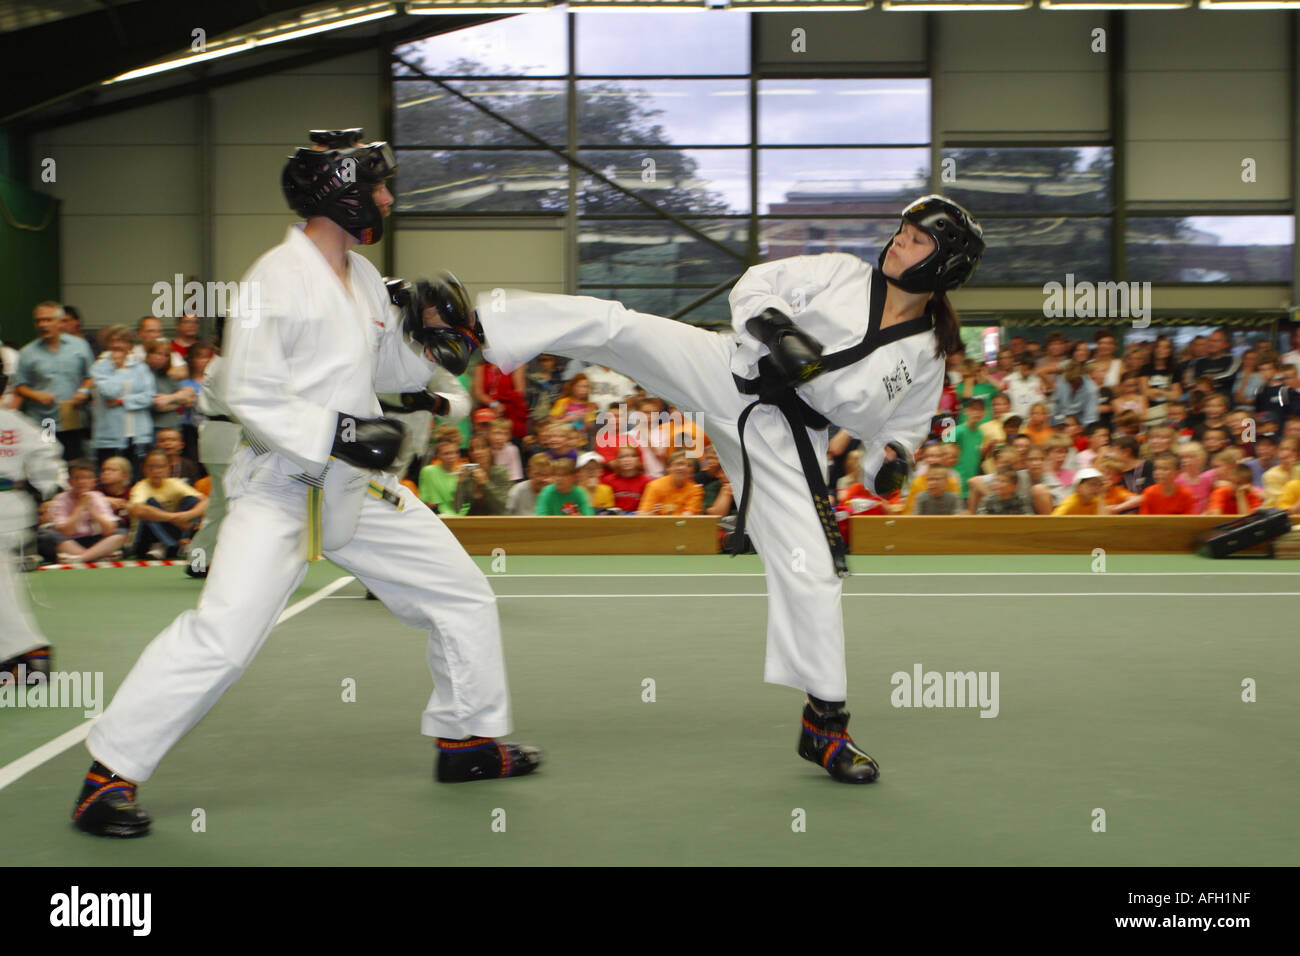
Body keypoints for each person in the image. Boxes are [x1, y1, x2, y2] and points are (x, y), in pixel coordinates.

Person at [71, 129, 539, 840]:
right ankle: (107, 777)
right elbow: (250, 388)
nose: (386, 197)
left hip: (353, 486)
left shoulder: (357, 278)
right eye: (377, 186)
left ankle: (468, 742)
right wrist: (343, 432)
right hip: (284, 486)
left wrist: (433, 353)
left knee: (460, 592)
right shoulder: (272, 279)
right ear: (340, 192)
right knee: (224, 636)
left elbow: (376, 373)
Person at [474, 194, 984, 784]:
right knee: (620, 327)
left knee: (813, 570)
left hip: (789, 441)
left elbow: (905, 427)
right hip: (728, 370)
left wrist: (891, 460)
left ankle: (824, 726)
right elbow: (757, 282)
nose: (900, 241)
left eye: (918, 239)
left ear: (944, 264)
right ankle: (479, 325)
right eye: (902, 231)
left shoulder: (926, 351)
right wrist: (778, 330)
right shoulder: (843, 273)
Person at [0, 369, 64, 681]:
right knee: (4, 584)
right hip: (12, 507)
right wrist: (46, 490)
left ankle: (30, 652)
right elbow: (47, 455)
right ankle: (14, 656)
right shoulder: (17, 422)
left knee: (2, 587)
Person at [12, 302, 95, 461]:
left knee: (74, 462)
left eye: (48, 320)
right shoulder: (27, 352)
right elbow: (20, 386)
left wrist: (83, 391)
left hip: (72, 416)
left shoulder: (79, 346)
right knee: (48, 461)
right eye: (39, 321)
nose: (43, 325)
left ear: (60, 322)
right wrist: (37, 395)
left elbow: (90, 376)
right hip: (45, 419)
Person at [89, 324, 155, 470]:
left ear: (130, 345)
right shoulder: (99, 367)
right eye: (113, 340)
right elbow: (109, 392)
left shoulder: (141, 368)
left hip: (138, 434)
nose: (117, 344)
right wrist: (118, 369)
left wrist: (122, 400)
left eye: (122, 340)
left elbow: (149, 397)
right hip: (109, 437)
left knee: (137, 479)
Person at [48, 458, 128, 563]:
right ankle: (97, 556)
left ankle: (82, 558)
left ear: (93, 482)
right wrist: (80, 507)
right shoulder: (60, 498)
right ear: (70, 481)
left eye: (87, 478)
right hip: (71, 541)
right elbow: (66, 531)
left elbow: (109, 529)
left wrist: (91, 510)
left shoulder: (98, 496)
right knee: (48, 535)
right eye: (77, 478)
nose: (82, 482)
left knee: (121, 533)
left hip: (94, 539)